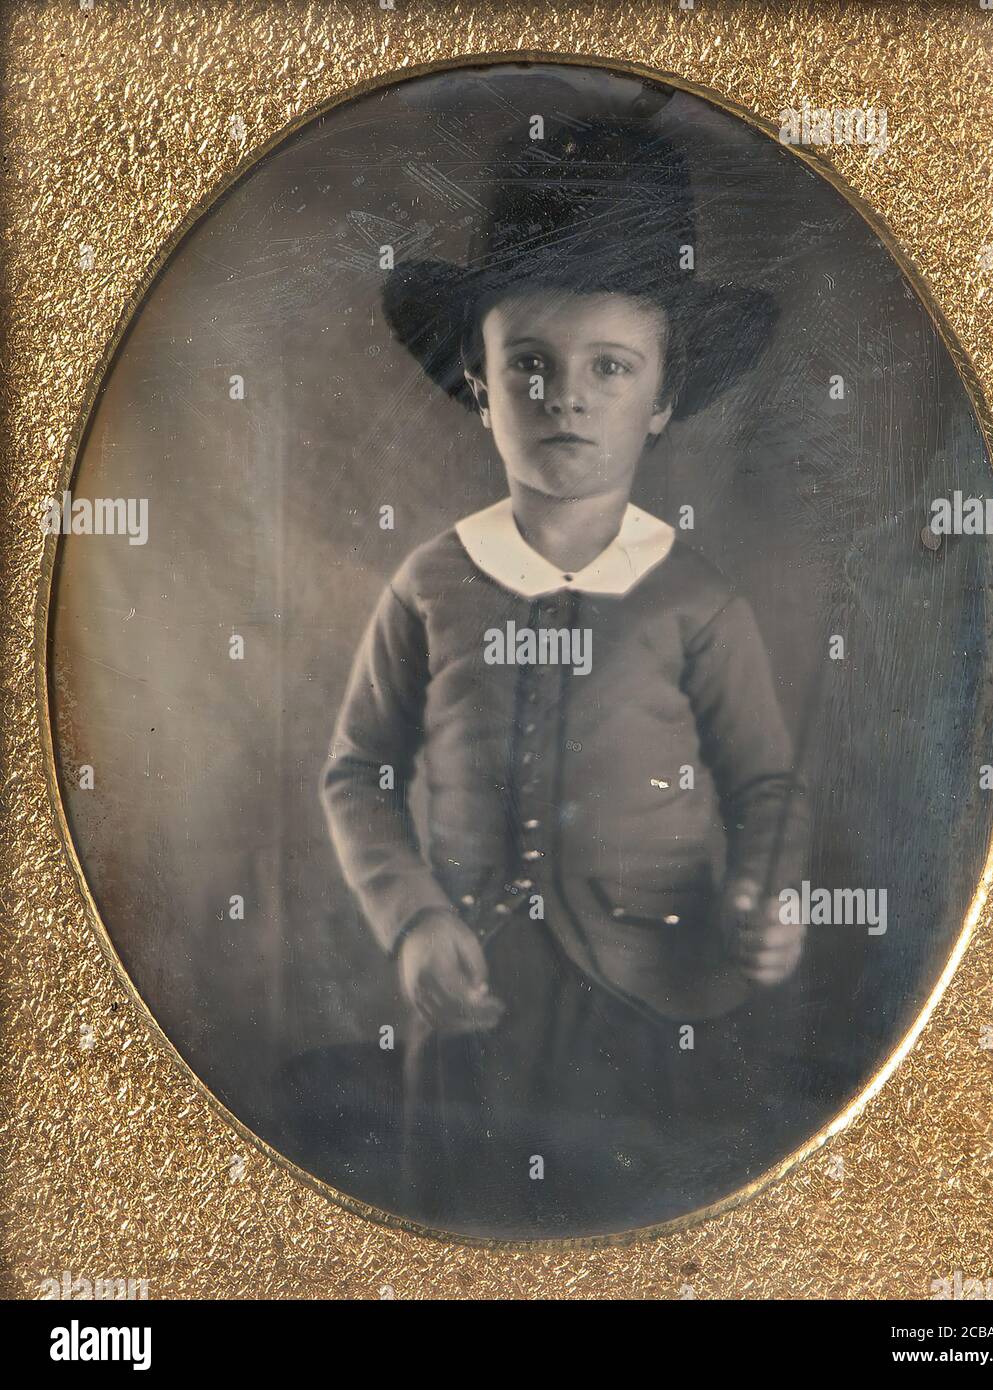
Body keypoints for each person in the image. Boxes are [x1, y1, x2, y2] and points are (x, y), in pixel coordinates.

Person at [321, 116, 809, 1237]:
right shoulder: (432, 583)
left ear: (665, 397)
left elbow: (768, 791)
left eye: (609, 368)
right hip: (474, 1006)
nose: (566, 397)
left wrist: (767, 893)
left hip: (653, 1003)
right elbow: (356, 773)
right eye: (529, 365)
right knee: (467, 1227)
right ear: (479, 385)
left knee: (642, 1226)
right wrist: (413, 922)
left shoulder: (694, 600)